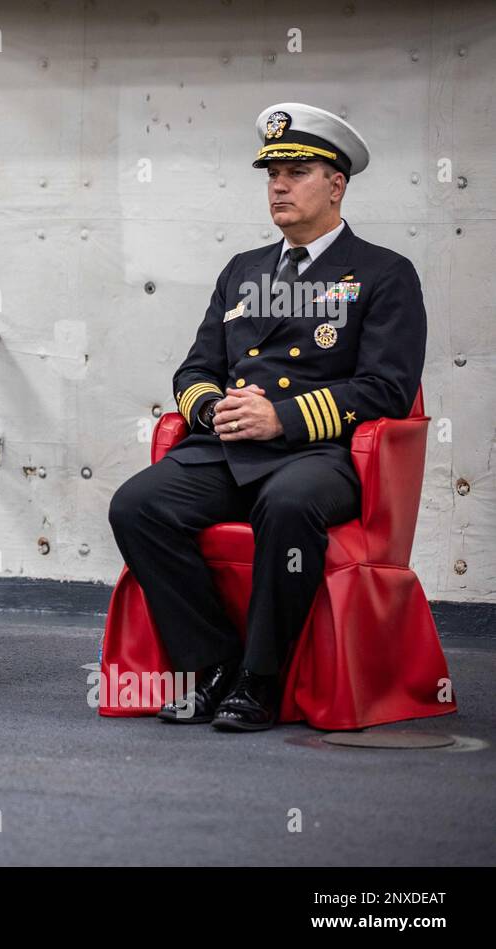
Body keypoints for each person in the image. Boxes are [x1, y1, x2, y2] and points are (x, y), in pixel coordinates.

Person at [108, 103, 426, 730]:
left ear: (336, 185)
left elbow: (388, 389)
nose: (278, 185)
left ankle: (261, 679)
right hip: (230, 448)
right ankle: (214, 662)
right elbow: (194, 369)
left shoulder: (385, 274)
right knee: (137, 506)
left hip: (318, 454)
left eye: (297, 172)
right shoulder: (243, 270)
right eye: (272, 174)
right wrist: (214, 409)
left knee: (286, 505)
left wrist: (281, 418)